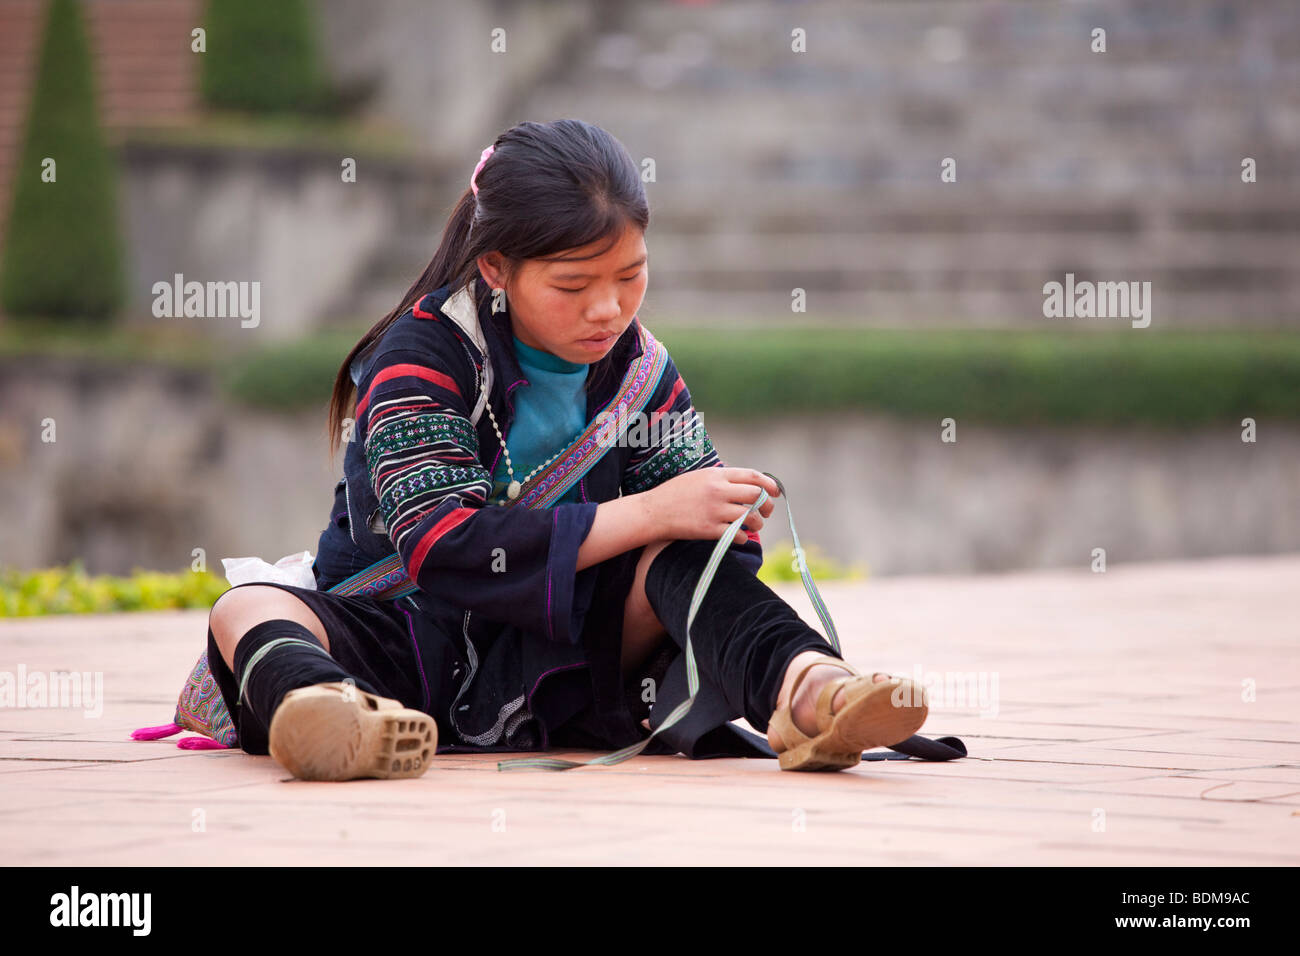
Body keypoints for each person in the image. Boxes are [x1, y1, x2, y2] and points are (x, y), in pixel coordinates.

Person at [204, 119, 929, 781]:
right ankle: (324, 713)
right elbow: (441, 543)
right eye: (573, 284)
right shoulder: (421, 357)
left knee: (685, 558)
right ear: (495, 268)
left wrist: (719, 517)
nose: (608, 309)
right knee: (246, 606)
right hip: (398, 641)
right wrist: (651, 513)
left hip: (562, 657)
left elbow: (697, 553)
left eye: (630, 275)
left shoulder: (639, 368)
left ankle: (815, 692)